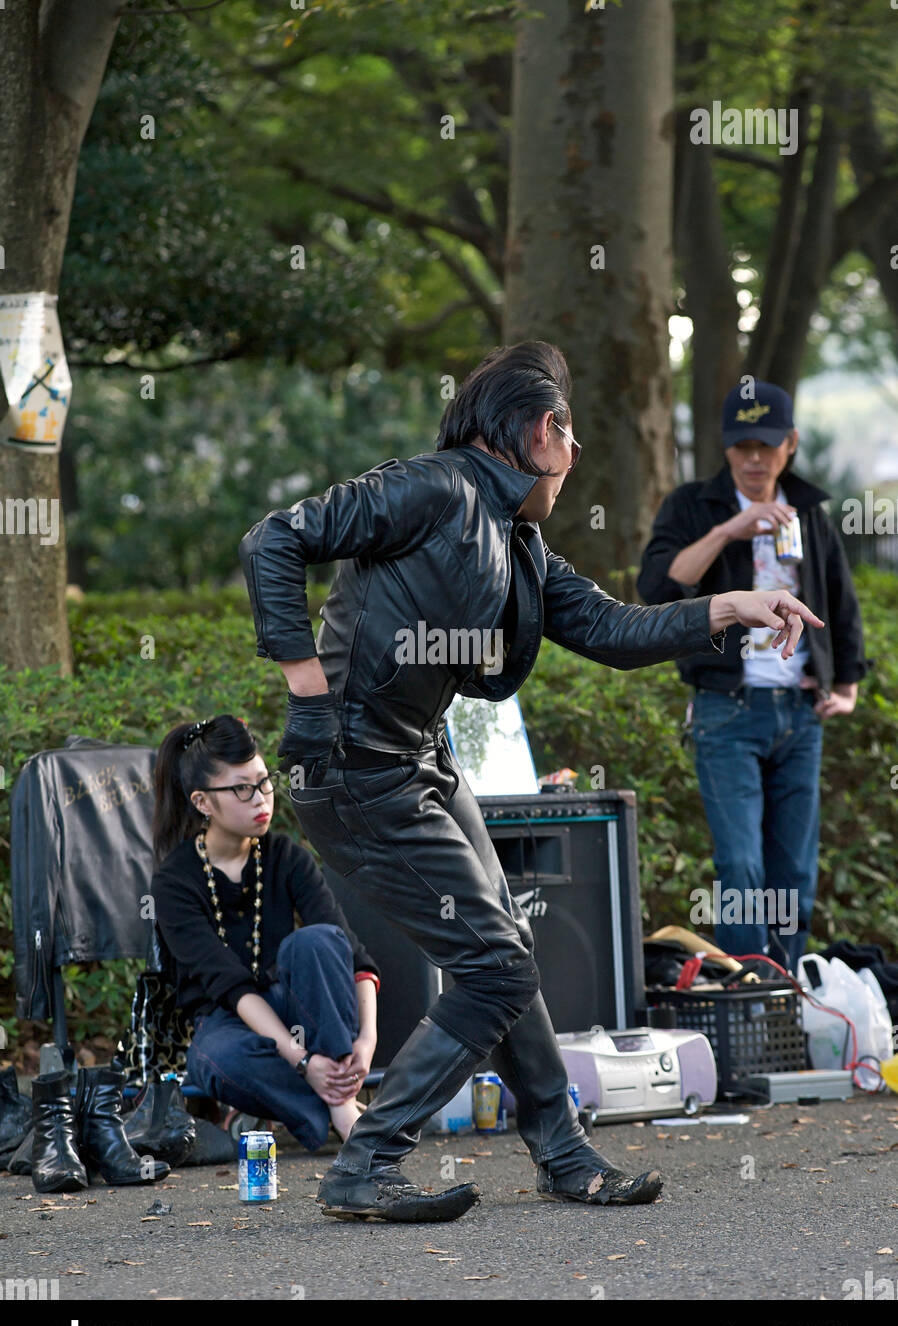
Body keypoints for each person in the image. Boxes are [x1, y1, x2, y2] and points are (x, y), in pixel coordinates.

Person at [238, 341, 822, 1223]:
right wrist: (308, 695)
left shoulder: (520, 540)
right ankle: (368, 1162)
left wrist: (729, 607)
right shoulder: (432, 487)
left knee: (505, 949)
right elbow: (273, 540)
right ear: (543, 431)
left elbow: (615, 630)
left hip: (418, 758)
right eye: (572, 433)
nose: (578, 453)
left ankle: (565, 1154)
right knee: (497, 965)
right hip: (356, 769)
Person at [638, 380, 869, 972]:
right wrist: (727, 533)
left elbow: (839, 601)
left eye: (767, 446)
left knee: (793, 869)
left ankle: (785, 992)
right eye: (742, 447)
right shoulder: (693, 506)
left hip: (800, 712)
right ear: (726, 448)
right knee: (741, 866)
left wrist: (847, 683)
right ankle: (744, 996)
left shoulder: (809, 513)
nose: (755, 460)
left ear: (789, 444)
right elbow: (658, 588)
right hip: (725, 708)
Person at [150, 713, 381, 1149]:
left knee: (315, 941)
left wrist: (367, 1041)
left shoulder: (286, 857)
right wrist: (302, 1061)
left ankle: (326, 1103)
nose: (261, 799)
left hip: (294, 1010)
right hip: (227, 1022)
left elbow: (348, 951)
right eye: (241, 788)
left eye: (264, 781)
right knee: (219, 1059)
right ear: (202, 802)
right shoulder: (174, 881)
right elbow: (230, 985)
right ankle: (337, 1105)